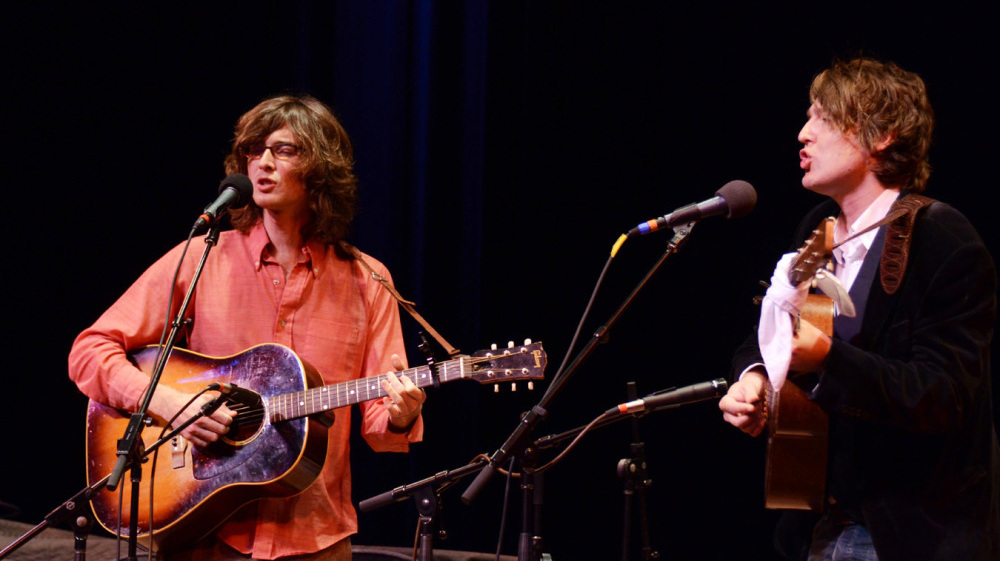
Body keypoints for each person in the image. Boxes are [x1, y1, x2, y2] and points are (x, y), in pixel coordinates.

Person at [69, 94, 427, 560]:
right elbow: (90, 349)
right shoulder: (203, 258)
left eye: (284, 150)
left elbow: (380, 428)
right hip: (201, 530)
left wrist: (401, 413)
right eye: (253, 151)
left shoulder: (367, 280)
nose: (263, 163)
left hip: (315, 538)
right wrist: (171, 404)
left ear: (321, 168)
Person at [718, 58, 999, 561]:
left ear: (883, 136)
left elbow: (944, 395)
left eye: (823, 118)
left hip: (906, 535)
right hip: (821, 525)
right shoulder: (817, 228)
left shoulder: (941, 237)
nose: (803, 134)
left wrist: (828, 358)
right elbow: (768, 334)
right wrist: (755, 376)